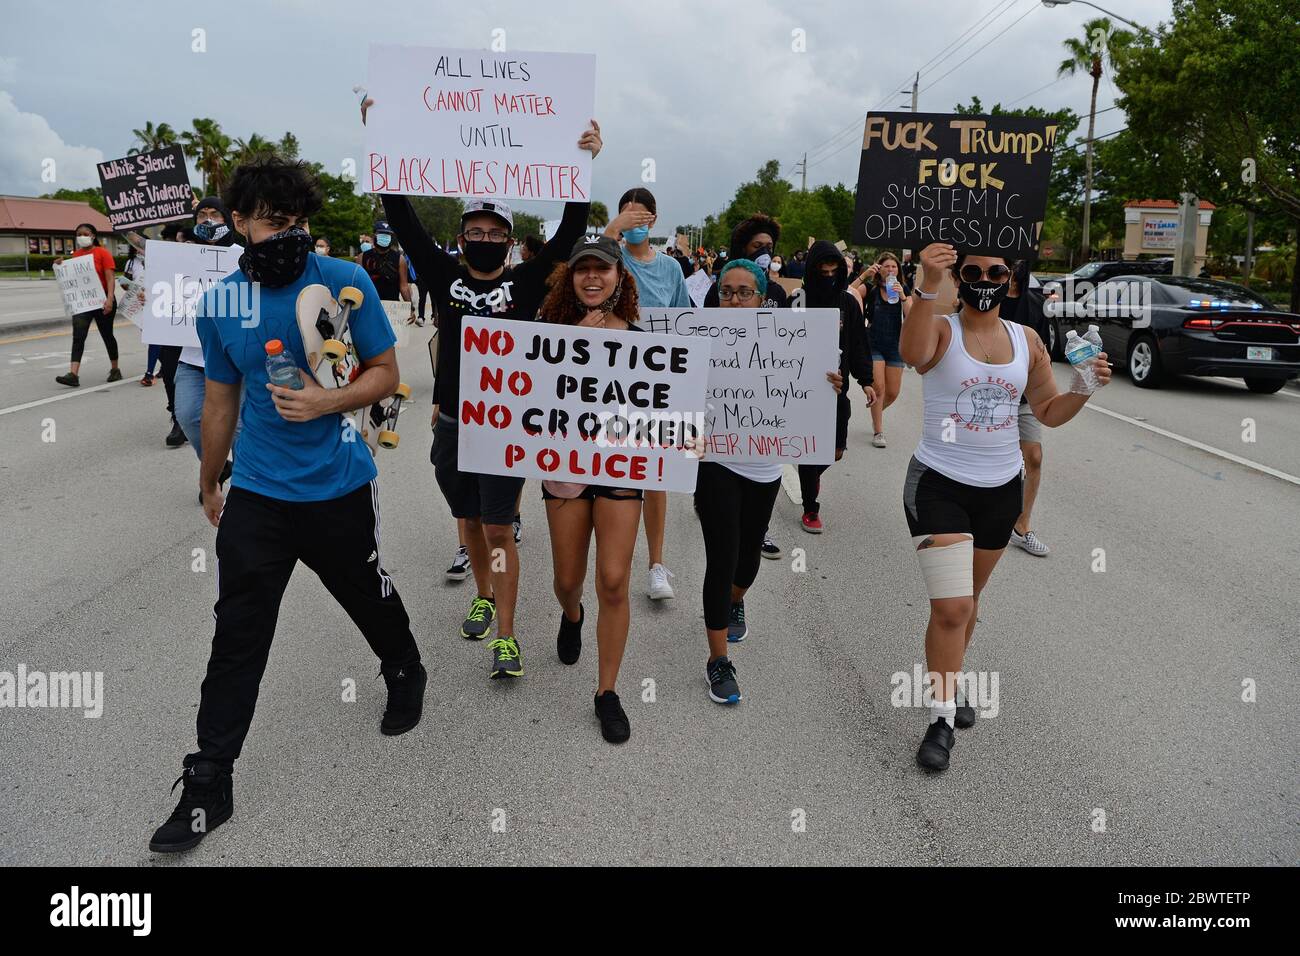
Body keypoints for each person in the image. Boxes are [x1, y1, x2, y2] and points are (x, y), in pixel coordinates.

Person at [147, 157, 425, 853]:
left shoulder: (346, 281)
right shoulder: (218, 307)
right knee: (237, 634)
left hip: (339, 487)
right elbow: (218, 401)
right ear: (238, 222)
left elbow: (389, 375)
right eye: (273, 221)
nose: (289, 234)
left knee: (367, 595)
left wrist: (328, 400)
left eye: (298, 221)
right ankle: (210, 779)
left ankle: (404, 669)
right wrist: (211, 480)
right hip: (260, 499)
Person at [362, 94, 602, 678]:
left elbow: (572, 229)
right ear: (462, 236)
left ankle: (507, 633)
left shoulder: (526, 281)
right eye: (475, 229)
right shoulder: (442, 274)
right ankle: (483, 591)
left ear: (509, 238)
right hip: (451, 422)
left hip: (503, 425)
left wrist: (583, 164)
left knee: (499, 526)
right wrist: (384, 138)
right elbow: (402, 217)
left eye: (496, 230)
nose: (485, 237)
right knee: (467, 522)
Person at [899, 243, 1110, 772]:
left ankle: (952, 675)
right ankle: (941, 716)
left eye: (996, 271)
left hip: (1000, 491)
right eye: (972, 271)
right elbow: (912, 353)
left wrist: (1085, 384)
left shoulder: (1027, 339)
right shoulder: (941, 327)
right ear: (960, 276)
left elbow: (1047, 411)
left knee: (967, 604)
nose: (984, 279)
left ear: (1011, 276)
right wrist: (928, 281)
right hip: (938, 485)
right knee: (950, 608)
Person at [697, 258, 845, 705]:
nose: (734, 300)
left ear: (763, 298)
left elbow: (810, 393)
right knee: (721, 559)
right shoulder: (697, 336)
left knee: (747, 561)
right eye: (726, 291)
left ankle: (736, 599)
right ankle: (717, 660)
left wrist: (830, 386)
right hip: (715, 463)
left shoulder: (791, 341)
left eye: (744, 292)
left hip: (764, 468)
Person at [538, 235, 646, 742]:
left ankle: (606, 691)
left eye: (601, 269)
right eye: (582, 269)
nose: (592, 277)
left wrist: (690, 432)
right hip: (566, 463)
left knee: (614, 579)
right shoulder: (547, 331)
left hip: (621, 465)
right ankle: (571, 614)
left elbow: (665, 402)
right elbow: (525, 400)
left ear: (618, 276)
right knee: (567, 578)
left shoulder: (644, 337)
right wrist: (573, 345)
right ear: (570, 277)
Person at [603, 186, 689, 601]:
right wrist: (613, 231)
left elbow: (686, 323)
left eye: (641, 218)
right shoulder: (611, 260)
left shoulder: (671, 269)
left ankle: (657, 564)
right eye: (626, 217)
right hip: (612, 378)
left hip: (656, 382)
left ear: (653, 221)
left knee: (656, 475)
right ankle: (609, 561)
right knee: (613, 469)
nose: (634, 225)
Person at [795, 241, 876, 533]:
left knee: (836, 451)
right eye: (823, 272)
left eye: (834, 272)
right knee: (810, 450)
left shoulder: (848, 303)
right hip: (800, 390)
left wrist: (866, 381)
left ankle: (811, 473)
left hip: (836, 390)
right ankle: (810, 507)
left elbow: (857, 345)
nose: (828, 277)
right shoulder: (798, 301)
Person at [174, 197, 242, 470]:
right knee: (189, 416)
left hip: (234, 357)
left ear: (228, 219)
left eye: (215, 214)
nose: (208, 220)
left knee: (238, 427)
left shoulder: (243, 255)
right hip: (192, 357)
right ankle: (215, 467)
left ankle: (243, 482)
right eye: (202, 215)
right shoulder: (180, 255)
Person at [1001, 260, 1055, 556]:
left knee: (1033, 457)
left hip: (1024, 396)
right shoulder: (983, 298)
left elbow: (1043, 349)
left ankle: (1022, 527)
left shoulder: (1037, 303)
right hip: (990, 394)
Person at [855, 252, 911, 449]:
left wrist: (904, 297)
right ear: (879, 269)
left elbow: (912, 316)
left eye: (894, 267)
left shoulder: (902, 288)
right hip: (873, 343)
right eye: (886, 266)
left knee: (893, 392)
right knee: (879, 387)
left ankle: (875, 415)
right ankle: (879, 431)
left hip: (895, 345)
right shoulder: (870, 288)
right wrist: (864, 275)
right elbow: (848, 293)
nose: (890, 270)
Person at [54, 224, 121, 387]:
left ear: (93, 236)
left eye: (85, 233)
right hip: (84, 304)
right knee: (78, 336)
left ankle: (115, 369)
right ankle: (73, 374)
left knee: (107, 335)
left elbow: (110, 278)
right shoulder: (76, 255)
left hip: (103, 300)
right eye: (79, 234)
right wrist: (60, 265)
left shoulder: (102, 253)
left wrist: (110, 299)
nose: (82, 236)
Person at [703, 215, 788, 308]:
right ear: (743, 249)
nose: (764, 252)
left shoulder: (777, 292)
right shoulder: (719, 289)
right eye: (757, 246)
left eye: (769, 247)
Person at [360, 220, 411, 305]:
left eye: (388, 235)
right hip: (369, 304)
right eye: (381, 234)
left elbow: (404, 287)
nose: (385, 237)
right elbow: (359, 284)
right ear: (374, 236)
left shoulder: (400, 259)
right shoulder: (362, 257)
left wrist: (411, 308)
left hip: (392, 307)